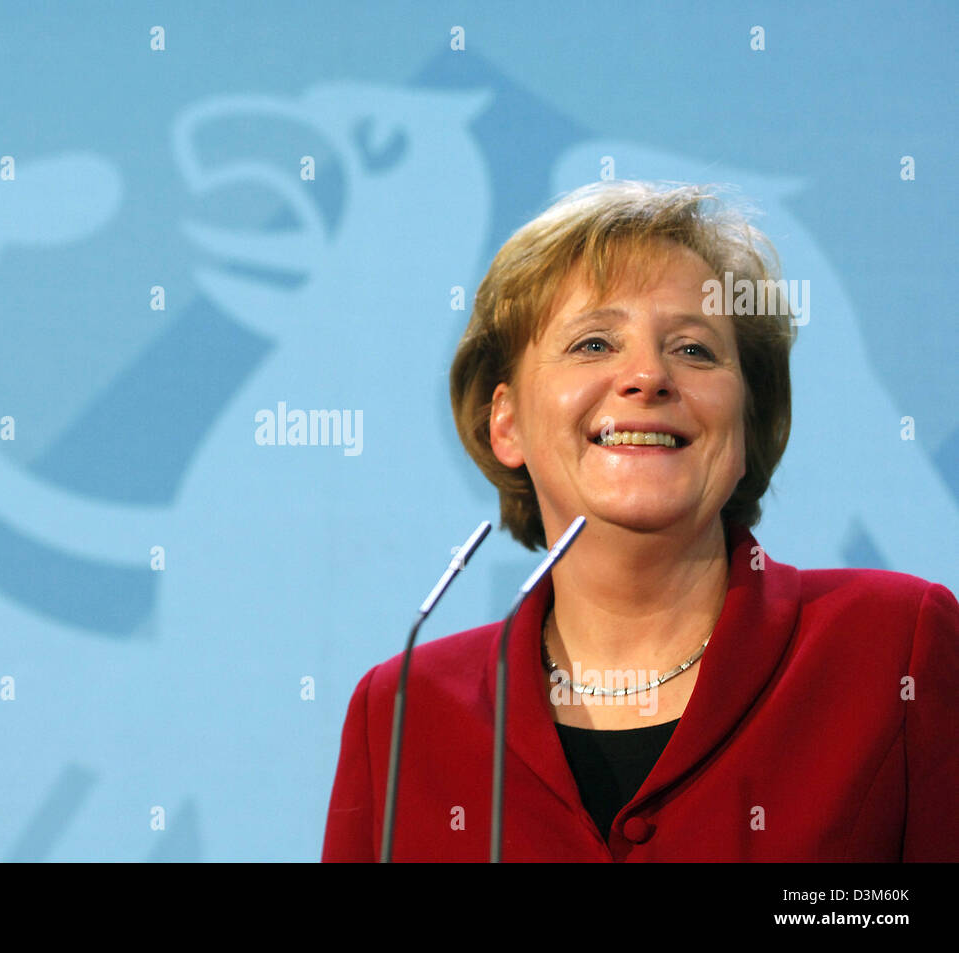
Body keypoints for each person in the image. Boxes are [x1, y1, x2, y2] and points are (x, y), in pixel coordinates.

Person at [321, 180, 959, 861]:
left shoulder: (895, 644)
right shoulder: (401, 714)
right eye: (594, 343)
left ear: (746, 424)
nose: (648, 376)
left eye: (694, 349)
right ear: (505, 422)